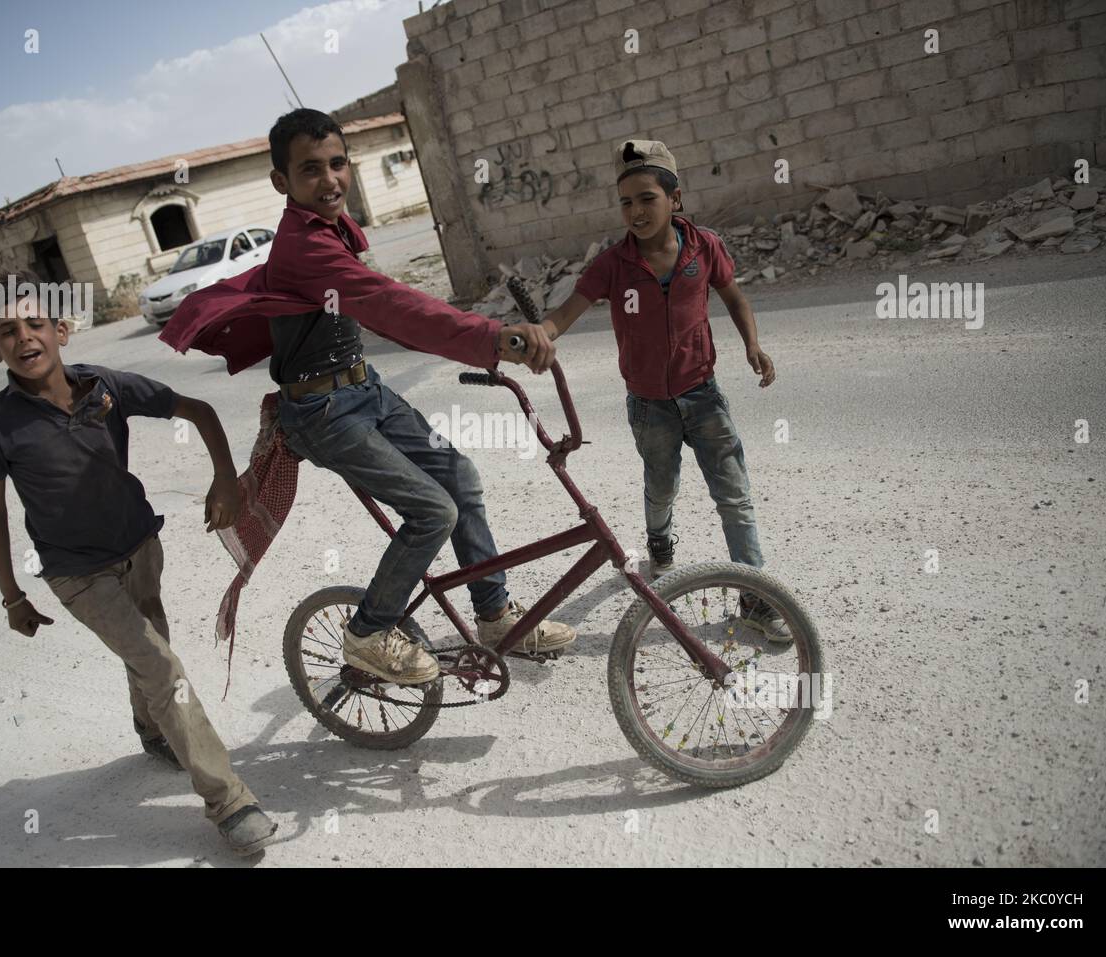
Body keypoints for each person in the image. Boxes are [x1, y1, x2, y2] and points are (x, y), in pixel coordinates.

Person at [161, 108, 576, 686]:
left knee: (460, 477)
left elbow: (385, 311)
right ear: (281, 182)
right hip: (323, 413)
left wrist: (482, 336)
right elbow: (392, 305)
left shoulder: (330, 228)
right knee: (433, 510)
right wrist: (493, 337)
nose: (330, 179)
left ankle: (493, 616)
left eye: (338, 164)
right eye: (310, 170)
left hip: (365, 392)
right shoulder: (304, 249)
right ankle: (367, 631)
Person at [0, 282, 276, 855]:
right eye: (7, 332)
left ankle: (152, 728)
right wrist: (12, 595)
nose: (23, 337)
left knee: (151, 641)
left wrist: (223, 481)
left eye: (34, 324)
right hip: (77, 574)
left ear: (61, 332)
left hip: (140, 547)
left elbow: (200, 410)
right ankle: (230, 802)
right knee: (161, 666)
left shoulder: (105, 385)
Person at [538, 139, 790, 642]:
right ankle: (659, 538)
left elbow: (733, 297)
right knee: (661, 485)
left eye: (647, 198)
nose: (635, 211)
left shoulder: (704, 247)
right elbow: (567, 311)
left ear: (675, 199)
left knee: (734, 497)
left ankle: (756, 601)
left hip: (703, 394)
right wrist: (540, 334)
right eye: (626, 202)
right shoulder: (614, 264)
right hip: (649, 405)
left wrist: (753, 345)